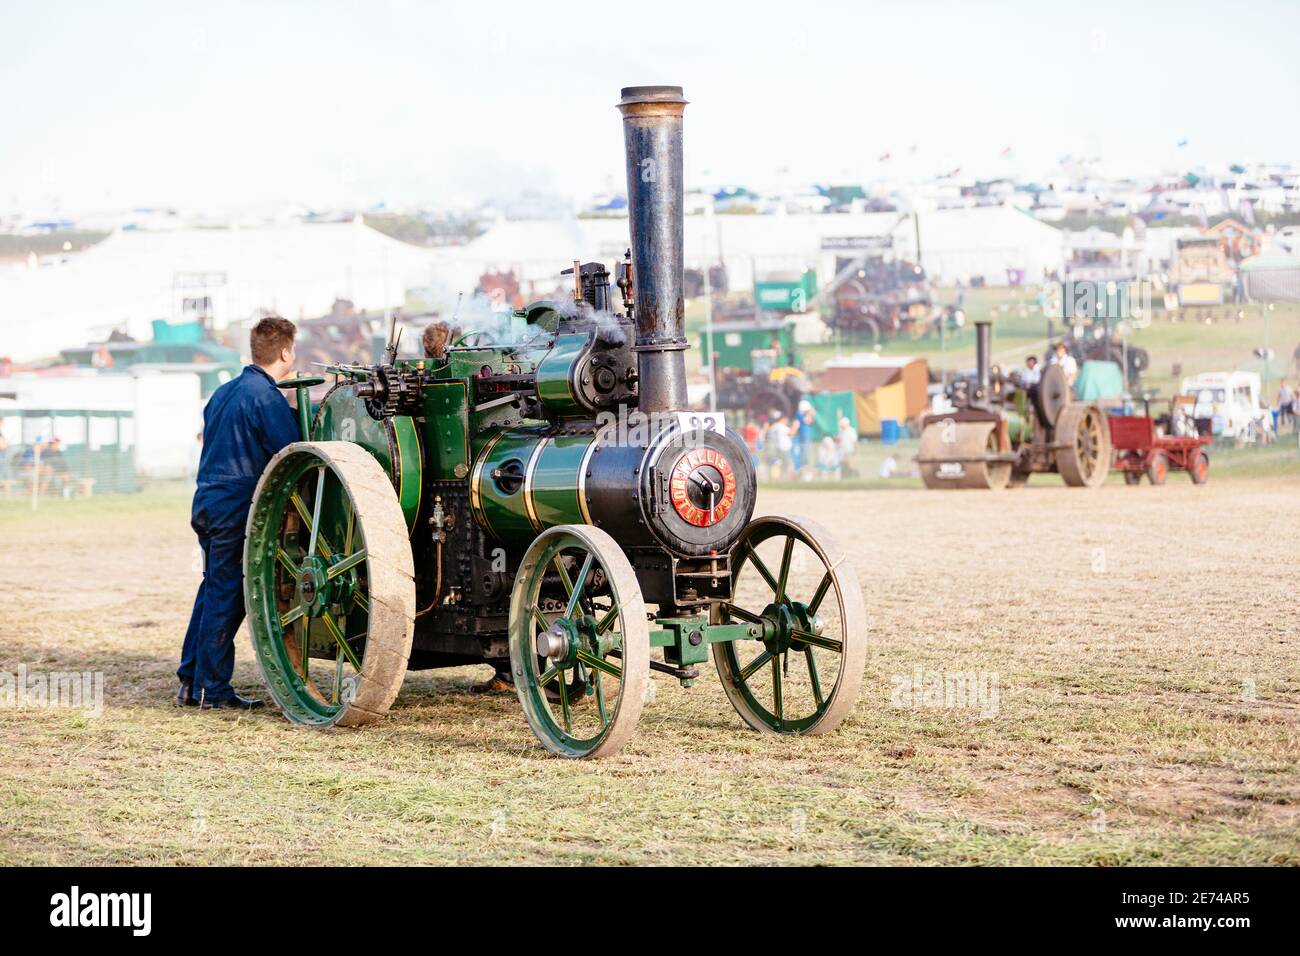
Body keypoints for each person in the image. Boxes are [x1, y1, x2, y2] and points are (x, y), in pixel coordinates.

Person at [176, 317, 301, 710]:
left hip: (207, 501)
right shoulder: (265, 398)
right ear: (285, 352)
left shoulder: (223, 393)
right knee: (229, 594)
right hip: (236, 505)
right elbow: (291, 451)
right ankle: (211, 690)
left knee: (213, 586)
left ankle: (189, 679)